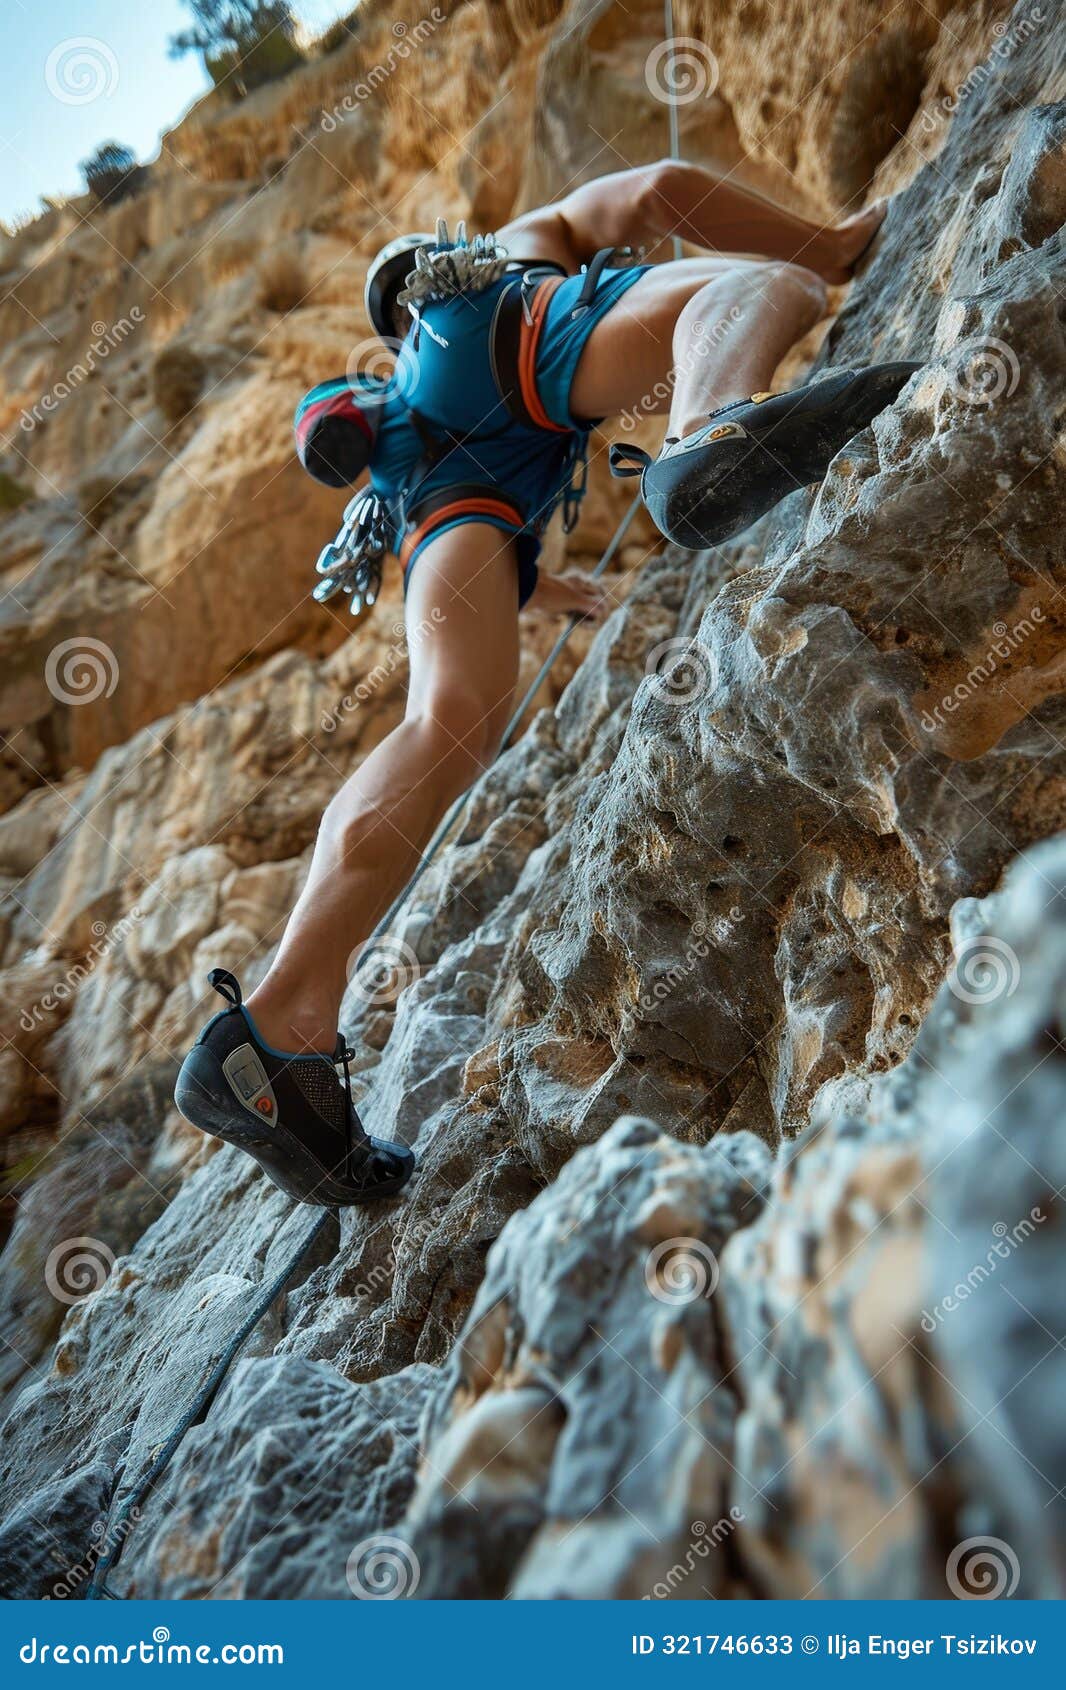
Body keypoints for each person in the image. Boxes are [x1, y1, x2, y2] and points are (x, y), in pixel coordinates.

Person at [175, 159, 918, 1207]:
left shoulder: (407, 409)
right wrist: (835, 246)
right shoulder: (515, 249)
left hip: (443, 495)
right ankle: (708, 424)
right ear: (436, 263)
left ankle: (280, 1023)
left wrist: (544, 588)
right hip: (515, 351)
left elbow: (487, 463)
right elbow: (656, 185)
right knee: (760, 288)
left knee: (448, 718)